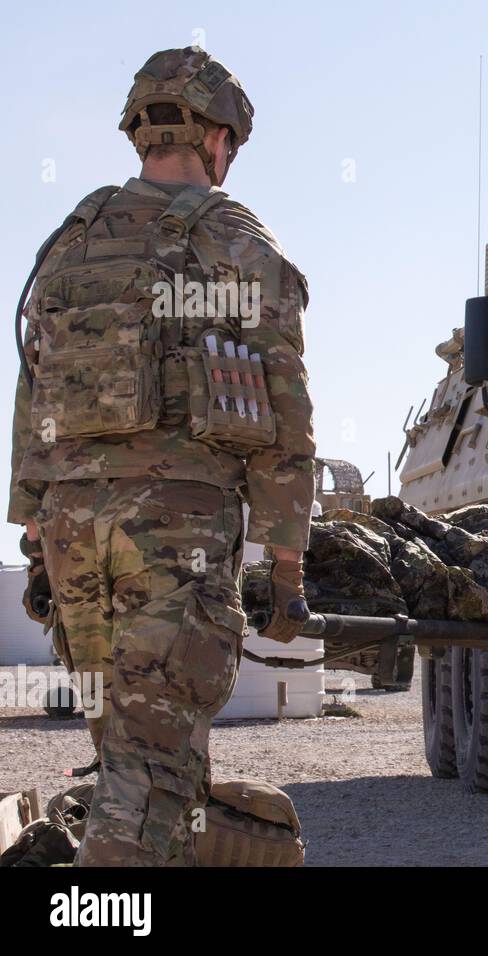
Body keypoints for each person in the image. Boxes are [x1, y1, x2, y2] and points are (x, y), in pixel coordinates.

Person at [9, 46, 316, 865]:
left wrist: (34, 529)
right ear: (219, 136)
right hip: (174, 528)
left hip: (73, 528)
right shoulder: (229, 234)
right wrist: (286, 569)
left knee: (134, 753)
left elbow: (32, 390)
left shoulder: (72, 238)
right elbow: (286, 407)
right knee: (150, 768)